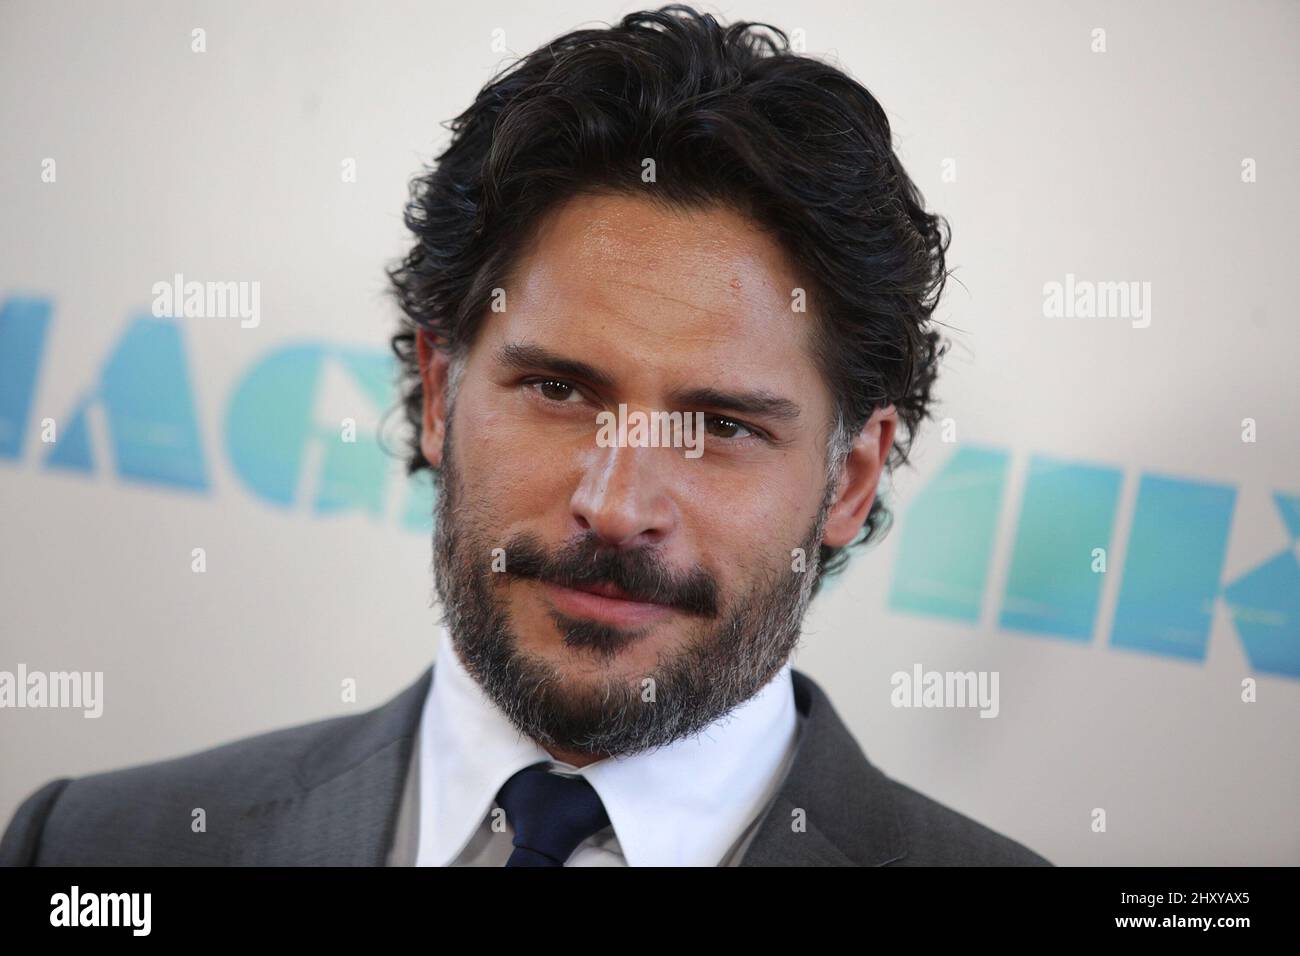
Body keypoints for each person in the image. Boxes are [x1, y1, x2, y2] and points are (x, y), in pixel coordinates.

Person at [1, 4, 1049, 867]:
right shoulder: (92, 850)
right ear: (436, 391)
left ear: (851, 479)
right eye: (557, 388)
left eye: (720, 425)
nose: (616, 502)